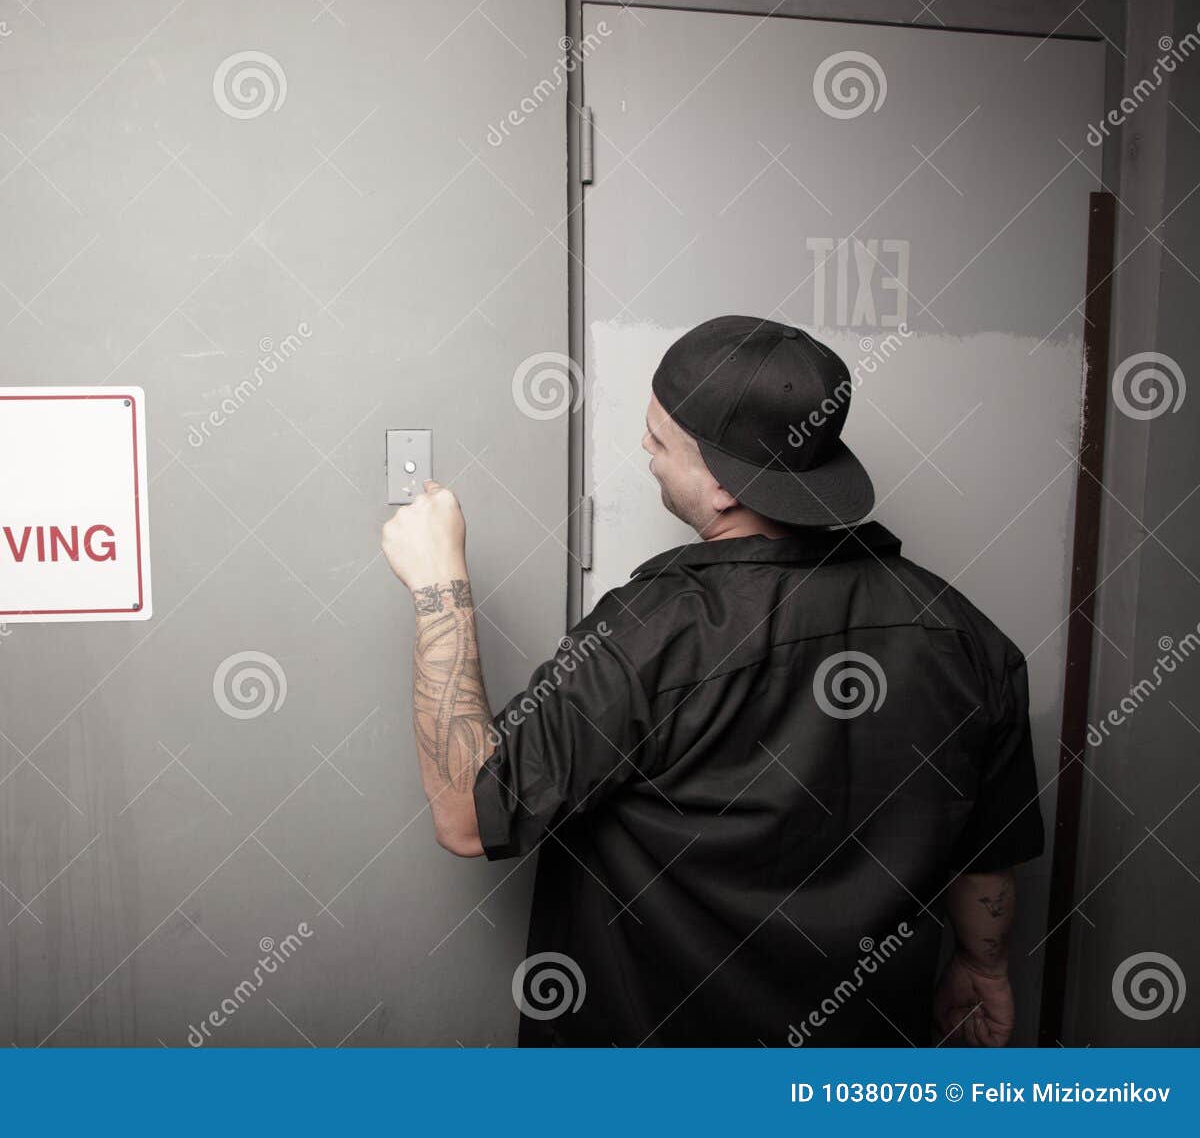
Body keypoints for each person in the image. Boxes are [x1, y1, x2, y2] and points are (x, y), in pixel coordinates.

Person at [380, 315, 1043, 1047]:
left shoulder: (646, 638)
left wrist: (439, 584)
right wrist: (984, 967)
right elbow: (988, 854)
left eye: (661, 440)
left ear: (726, 487)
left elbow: (466, 816)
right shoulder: (967, 638)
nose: (646, 449)